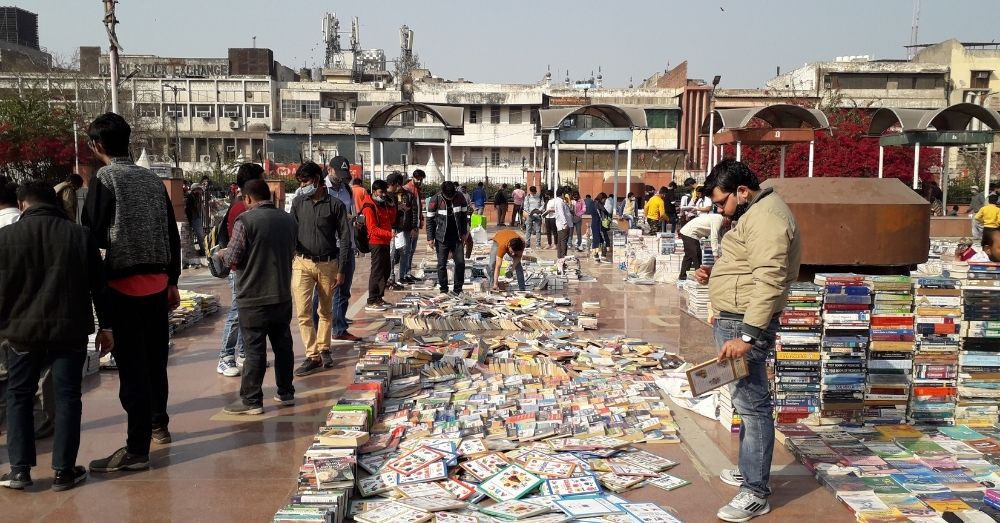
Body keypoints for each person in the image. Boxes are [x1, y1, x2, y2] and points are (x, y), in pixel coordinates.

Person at [694, 160, 801, 522]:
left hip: (744, 322)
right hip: (736, 315)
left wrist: (747, 335)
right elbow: (748, 267)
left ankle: (755, 490)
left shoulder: (767, 217)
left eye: (721, 202)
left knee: (753, 405)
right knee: (743, 400)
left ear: (742, 192)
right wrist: (715, 275)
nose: (719, 210)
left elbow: (770, 278)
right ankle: (749, 467)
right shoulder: (756, 213)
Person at [83, 113, 181, 472]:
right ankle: (159, 424)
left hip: (122, 287)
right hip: (156, 285)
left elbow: (90, 233)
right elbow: (171, 233)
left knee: (133, 368)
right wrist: (172, 280)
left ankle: (136, 448)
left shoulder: (105, 179)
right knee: (155, 361)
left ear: (96, 146)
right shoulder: (152, 180)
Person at [0, 182, 113, 492]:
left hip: (21, 334)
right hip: (70, 332)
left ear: (23, 204)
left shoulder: (5, 238)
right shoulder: (79, 236)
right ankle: (64, 470)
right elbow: (99, 288)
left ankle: (20, 471)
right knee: (66, 398)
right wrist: (107, 327)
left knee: (19, 396)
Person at [217, 180, 297, 415]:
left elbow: (233, 257)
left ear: (249, 199)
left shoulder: (246, 221)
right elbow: (292, 250)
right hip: (281, 293)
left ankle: (252, 400)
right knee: (283, 346)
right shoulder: (288, 220)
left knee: (254, 349)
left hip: (253, 295)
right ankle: (286, 392)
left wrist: (221, 253)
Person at [289, 162, 352, 378]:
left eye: (306, 181)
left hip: (328, 263)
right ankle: (312, 355)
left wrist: (341, 269)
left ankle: (324, 349)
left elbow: (345, 238)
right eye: (301, 182)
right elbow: (291, 233)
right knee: (303, 312)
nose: (303, 185)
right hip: (302, 263)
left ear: (317, 179)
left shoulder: (335, 205)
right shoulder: (298, 203)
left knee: (325, 311)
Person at [216, 163, 265, 377]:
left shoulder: (248, 205)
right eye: (262, 178)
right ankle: (225, 357)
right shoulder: (240, 207)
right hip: (240, 270)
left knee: (248, 313)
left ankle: (244, 354)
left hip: (251, 268)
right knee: (237, 313)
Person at [326, 159, 361, 342]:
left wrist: (353, 220)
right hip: (330, 247)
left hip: (347, 244)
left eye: (345, 177)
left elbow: (350, 211)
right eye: (338, 175)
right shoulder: (321, 190)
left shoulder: (346, 189)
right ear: (329, 170)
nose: (342, 180)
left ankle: (339, 326)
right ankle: (326, 331)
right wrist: (341, 217)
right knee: (325, 292)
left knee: (344, 290)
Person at [427, 181, 470, 295]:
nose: (450, 197)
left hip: (457, 237)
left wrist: (465, 232)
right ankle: (444, 290)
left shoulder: (460, 197)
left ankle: (458, 289)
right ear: (443, 192)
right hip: (441, 238)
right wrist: (430, 238)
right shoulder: (435, 199)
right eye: (448, 195)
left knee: (460, 263)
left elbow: (465, 216)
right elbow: (430, 220)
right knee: (441, 265)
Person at [361, 180, 397, 311]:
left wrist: (392, 206)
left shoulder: (382, 204)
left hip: (385, 241)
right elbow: (372, 229)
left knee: (385, 270)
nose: (383, 195)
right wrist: (389, 234)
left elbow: (391, 220)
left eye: (384, 192)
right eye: (381, 192)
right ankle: (372, 299)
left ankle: (379, 297)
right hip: (376, 242)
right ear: (374, 191)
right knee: (377, 271)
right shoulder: (369, 207)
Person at [387, 171, 418, 290]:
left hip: (405, 228)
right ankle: (391, 276)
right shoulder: (389, 195)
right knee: (392, 254)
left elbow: (414, 212)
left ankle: (403, 275)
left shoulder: (409, 195)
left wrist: (414, 227)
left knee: (405, 252)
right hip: (393, 229)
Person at [678, 213, 724, 280]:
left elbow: (718, 238)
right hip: (690, 233)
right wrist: (715, 255)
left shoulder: (716, 218)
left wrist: (725, 246)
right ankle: (699, 278)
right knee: (696, 255)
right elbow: (714, 237)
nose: (726, 226)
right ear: (727, 219)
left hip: (688, 233)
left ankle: (683, 276)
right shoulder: (719, 220)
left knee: (689, 256)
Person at [401, 169, 426, 283]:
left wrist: (418, 223)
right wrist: (412, 227)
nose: (419, 181)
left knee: (411, 251)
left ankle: (408, 272)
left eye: (421, 179)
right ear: (413, 177)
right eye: (418, 179)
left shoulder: (417, 189)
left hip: (415, 225)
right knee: (406, 250)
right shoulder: (407, 189)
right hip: (409, 226)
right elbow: (409, 211)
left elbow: (418, 209)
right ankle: (404, 274)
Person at [184, 183, 207, 257]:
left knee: (200, 236)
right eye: (199, 189)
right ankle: (203, 250)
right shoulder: (191, 197)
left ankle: (203, 250)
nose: (200, 191)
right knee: (200, 236)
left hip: (196, 218)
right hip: (194, 218)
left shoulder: (196, 196)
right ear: (195, 190)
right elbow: (188, 210)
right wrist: (190, 221)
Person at [590, 193, 612, 262]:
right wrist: (608, 217)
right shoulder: (598, 203)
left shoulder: (593, 203)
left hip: (594, 223)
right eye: (605, 200)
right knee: (602, 240)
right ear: (602, 198)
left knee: (597, 239)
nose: (605, 202)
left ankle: (597, 255)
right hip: (598, 224)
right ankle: (601, 255)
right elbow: (605, 211)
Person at [554, 188, 575, 264]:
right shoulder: (559, 202)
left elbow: (569, 209)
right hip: (563, 224)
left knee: (561, 240)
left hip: (563, 224)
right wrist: (565, 223)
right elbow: (561, 213)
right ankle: (563, 255)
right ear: (562, 194)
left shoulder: (562, 201)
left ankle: (560, 256)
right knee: (563, 241)